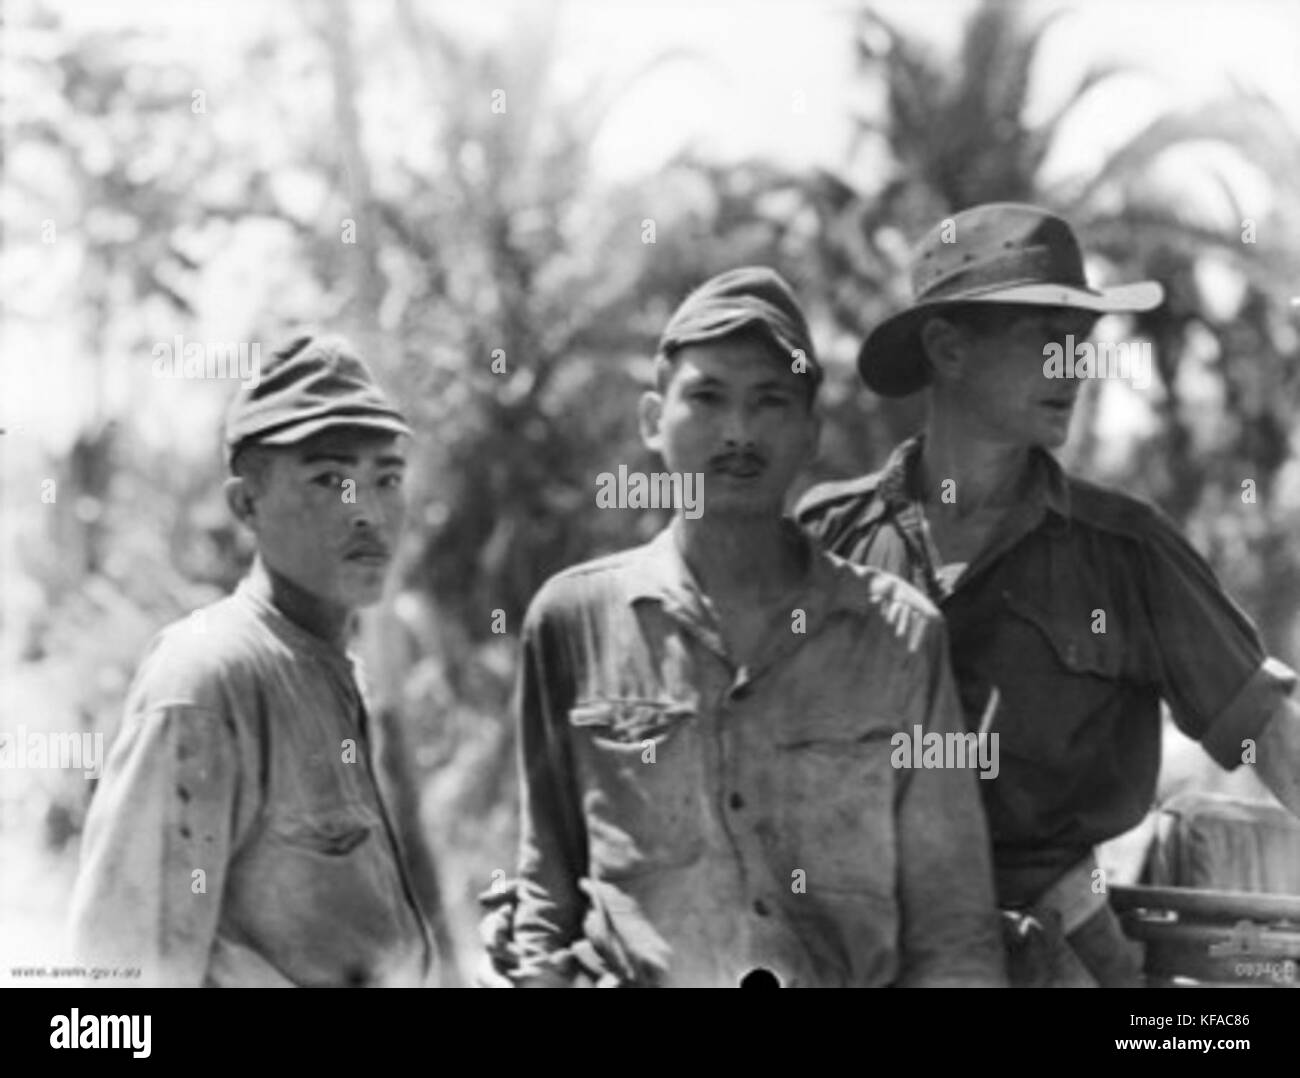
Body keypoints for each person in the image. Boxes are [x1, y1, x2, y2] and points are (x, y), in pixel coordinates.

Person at [796, 202, 1300, 986]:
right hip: (856, 950)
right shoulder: (828, 541)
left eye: (1083, 344)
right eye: (1045, 340)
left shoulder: (1126, 553)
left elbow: (1268, 732)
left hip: (1056, 951)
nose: (1076, 368)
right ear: (947, 347)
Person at [492, 266, 1006, 987]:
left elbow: (953, 927)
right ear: (651, 421)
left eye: (770, 402)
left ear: (810, 434)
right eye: (706, 398)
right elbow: (546, 879)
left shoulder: (899, 636)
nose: (738, 432)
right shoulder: (573, 621)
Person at [67, 333, 436, 987]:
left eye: (387, 480)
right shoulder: (209, 676)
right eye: (331, 481)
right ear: (246, 505)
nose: (369, 513)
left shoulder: (343, 672)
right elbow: (118, 976)